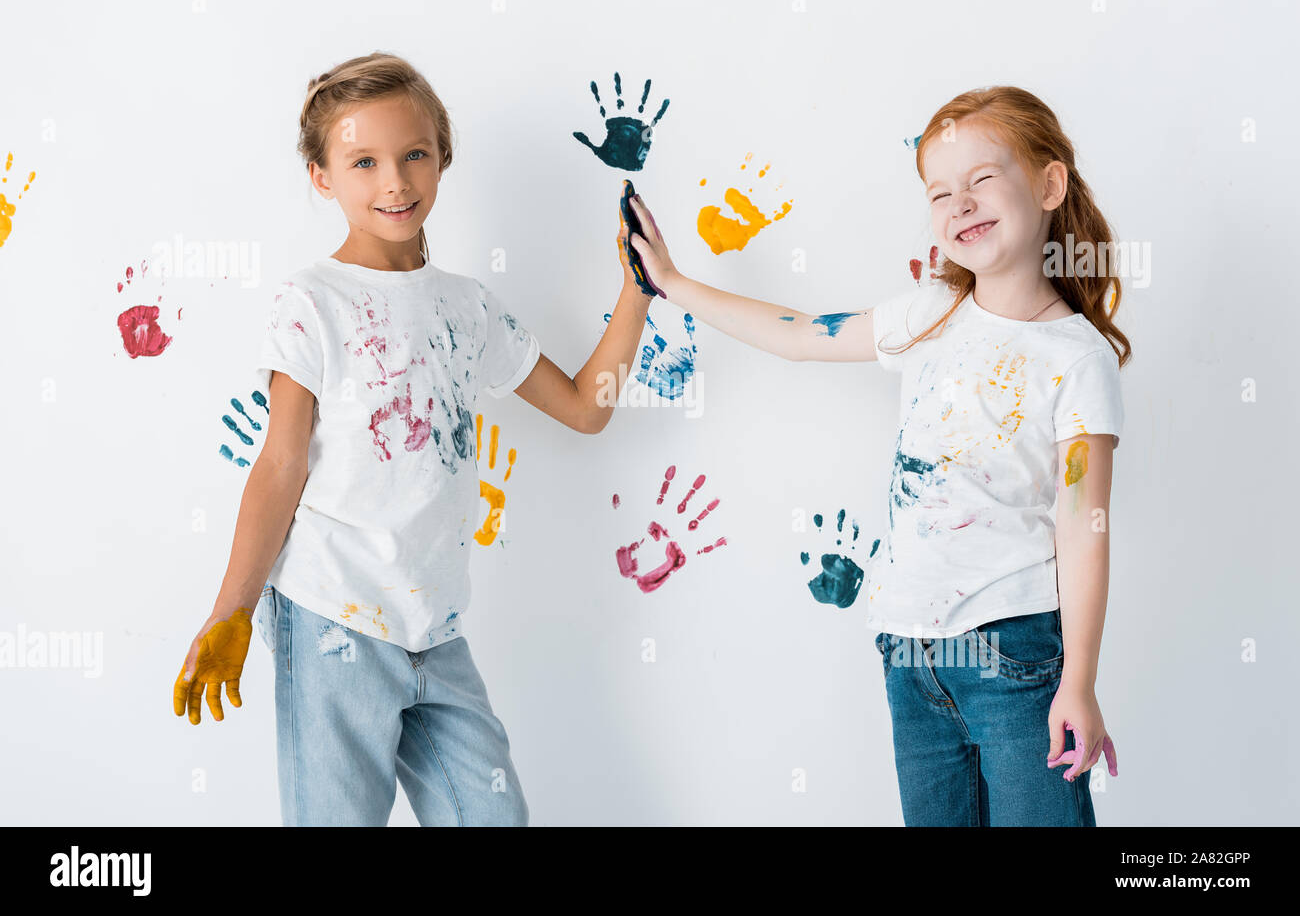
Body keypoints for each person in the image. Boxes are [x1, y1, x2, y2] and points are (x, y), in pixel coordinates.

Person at [172, 51, 657, 826]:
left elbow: (582, 407)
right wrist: (230, 608)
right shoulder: (311, 302)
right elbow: (280, 463)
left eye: (413, 155)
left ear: (442, 157)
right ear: (321, 174)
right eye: (363, 161)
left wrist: (637, 292)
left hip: (436, 631)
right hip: (333, 617)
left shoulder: (467, 307)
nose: (394, 181)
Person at [626, 85, 1125, 826]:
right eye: (940, 192)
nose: (960, 203)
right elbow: (800, 334)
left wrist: (1078, 678)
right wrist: (672, 282)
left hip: (1012, 657)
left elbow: (1083, 524)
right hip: (909, 654)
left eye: (983, 179)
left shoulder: (1075, 357)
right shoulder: (929, 313)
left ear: (1049, 185)